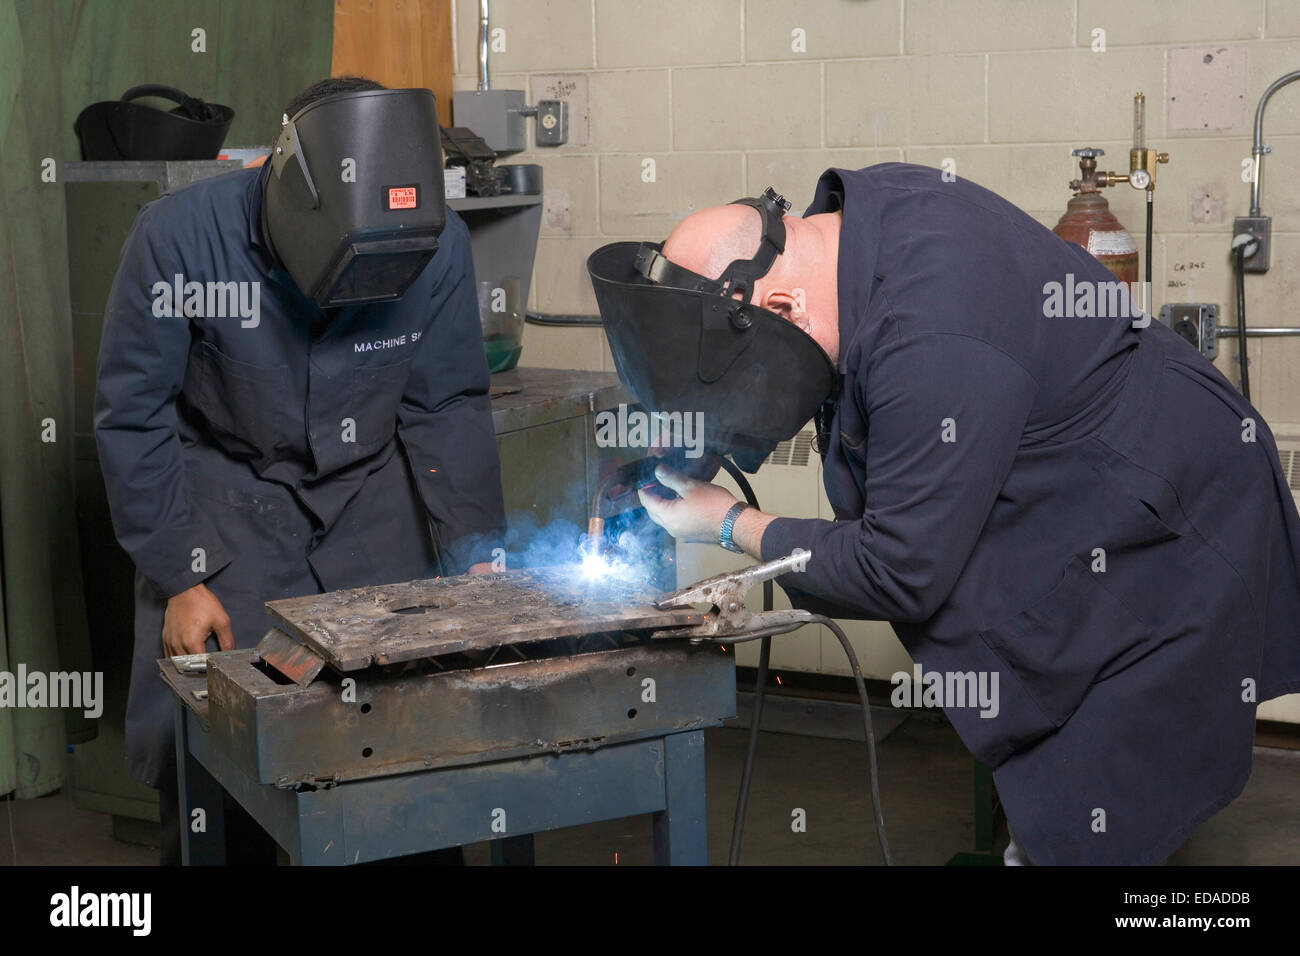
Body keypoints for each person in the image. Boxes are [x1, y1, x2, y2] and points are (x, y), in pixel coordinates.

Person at [617, 163, 1300, 865]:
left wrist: (729, 523)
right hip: (1096, 478)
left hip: (1169, 523)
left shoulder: (935, 328)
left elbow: (898, 568)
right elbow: (800, 373)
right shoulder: (848, 233)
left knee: (1094, 800)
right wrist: (699, 434)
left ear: (783, 306)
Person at [94, 77, 505, 863]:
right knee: (224, 771)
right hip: (228, 493)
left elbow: (447, 405)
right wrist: (180, 577)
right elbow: (135, 418)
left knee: (405, 760)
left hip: (369, 493)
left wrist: (478, 555)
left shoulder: (439, 241)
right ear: (289, 185)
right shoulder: (178, 239)